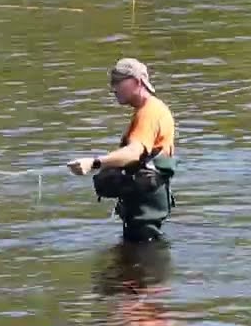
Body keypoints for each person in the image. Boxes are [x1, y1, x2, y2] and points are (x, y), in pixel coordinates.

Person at [68, 58, 178, 243]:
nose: (113, 88)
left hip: (146, 214)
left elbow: (134, 152)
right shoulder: (152, 110)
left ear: (136, 82)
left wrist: (94, 163)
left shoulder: (149, 113)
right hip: (144, 209)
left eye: (118, 82)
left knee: (142, 263)